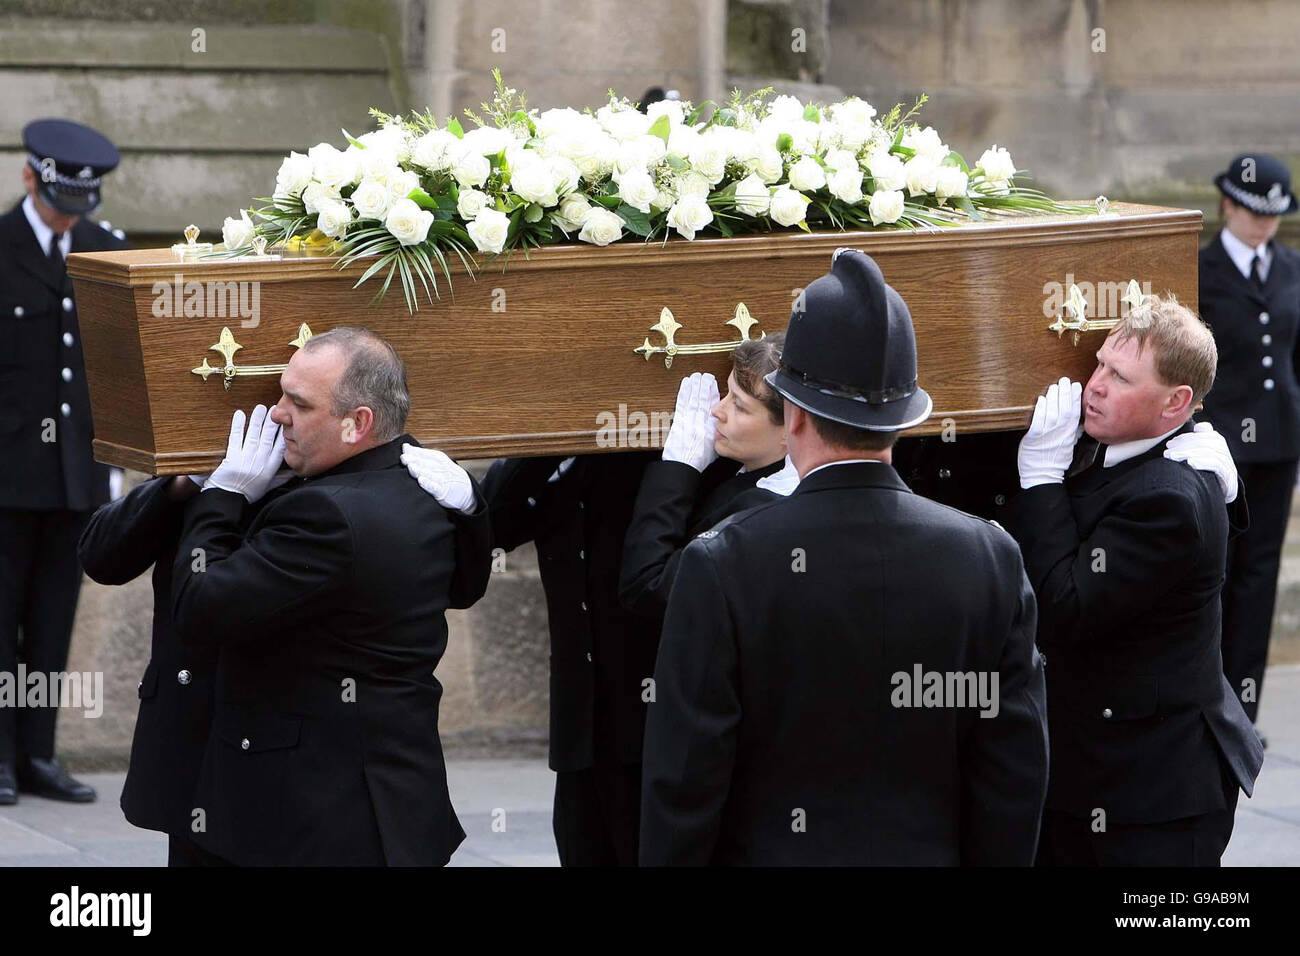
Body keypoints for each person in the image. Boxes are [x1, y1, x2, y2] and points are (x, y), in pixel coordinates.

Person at [639, 249, 1050, 865]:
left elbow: (684, 784)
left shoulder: (723, 564)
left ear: (794, 415)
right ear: (902, 418)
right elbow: (1013, 779)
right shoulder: (990, 558)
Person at [169, 327, 492, 865]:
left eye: (299, 404)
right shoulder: (426, 483)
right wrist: (473, 511)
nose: (276, 414)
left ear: (357, 423)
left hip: (312, 816)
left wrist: (222, 495)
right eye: (281, 394)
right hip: (396, 800)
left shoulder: (323, 513)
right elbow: (463, 587)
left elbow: (199, 606)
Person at [999, 294, 1265, 866]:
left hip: (1149, 797)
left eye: (1119, 377)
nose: (1093, 386)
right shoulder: (1131, 450)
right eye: (1098, 364)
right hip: (1101, 776)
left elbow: (1064, 609)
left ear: (1176, 403)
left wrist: (1041, 477)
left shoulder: (1167, 497)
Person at [0, 119, 127, 805]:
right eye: (58, 202)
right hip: (7, 474)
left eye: (80, 204)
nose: (68, 216)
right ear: (30, 178)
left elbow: (115, 368)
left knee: (52, 621)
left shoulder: (105, 249)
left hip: (75, 474)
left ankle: (37, 755)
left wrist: (115, 461)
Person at [1197, 153, 1300, 737]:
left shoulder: (1291, 268)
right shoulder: (1200, 268)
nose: (1264, 224)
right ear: (1228, 205)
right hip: (1220, 446)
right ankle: (1205, 709)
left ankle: (1243, 717)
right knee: (1216, 573)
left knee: (1259, 580)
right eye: (1254, 212)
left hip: (1278, 445)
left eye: (1273, 215)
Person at [620, 332, 794, 618]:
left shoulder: (762, 516)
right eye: (727, 393)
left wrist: (679, 467)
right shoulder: (743, 467)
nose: (716, 410)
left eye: (739, 406)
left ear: (791, 429)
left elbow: (647, 588)